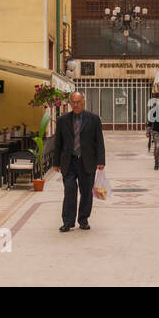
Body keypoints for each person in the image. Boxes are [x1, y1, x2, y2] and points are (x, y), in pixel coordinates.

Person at [51, 91, 105, 232]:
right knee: (70, 190)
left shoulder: (93, 119)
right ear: (70, 103)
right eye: (73, 102)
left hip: (87, 161)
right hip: (69, 161)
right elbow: (58, 143)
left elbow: (99, 141)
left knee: (86, 192)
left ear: (83, 102)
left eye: (79, 102)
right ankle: (68, 222)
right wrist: (56, 162)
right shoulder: (62, 120)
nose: (76, 105)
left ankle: (83, 219)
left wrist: (101, 160)